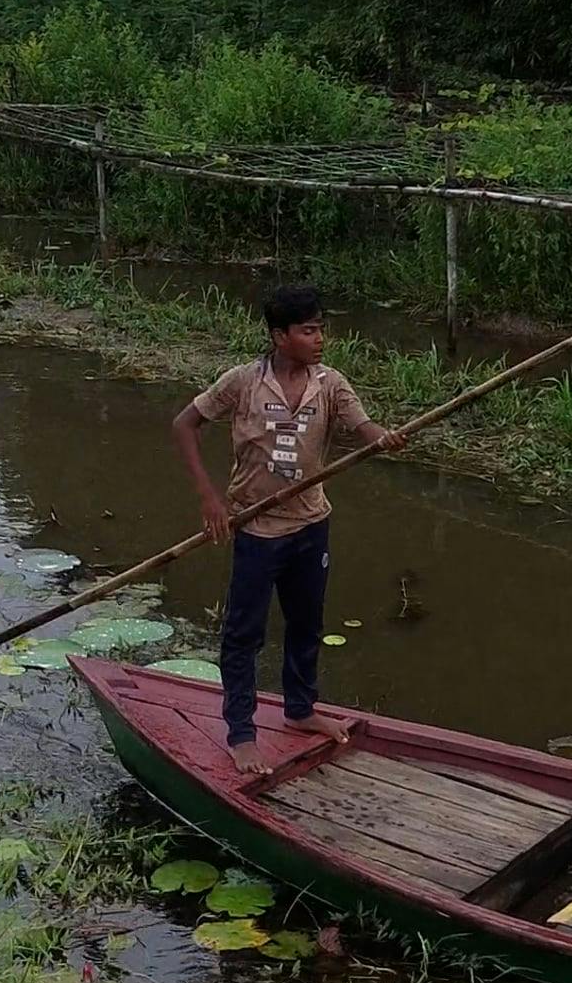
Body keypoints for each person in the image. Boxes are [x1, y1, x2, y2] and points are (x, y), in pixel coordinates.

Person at [172, 286, 405, 775]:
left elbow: (364, 428)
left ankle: (300, 710)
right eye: (308, 330)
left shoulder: (330, 385)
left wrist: (382, 439)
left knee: (306, 624)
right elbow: (184, 424)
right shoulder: (243, 383)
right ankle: (241, 732)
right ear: (280, 336)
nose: (319, 339)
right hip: (257, 528)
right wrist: (209, 498)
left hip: (310, 526)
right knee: (243, 634)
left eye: (320, 329)